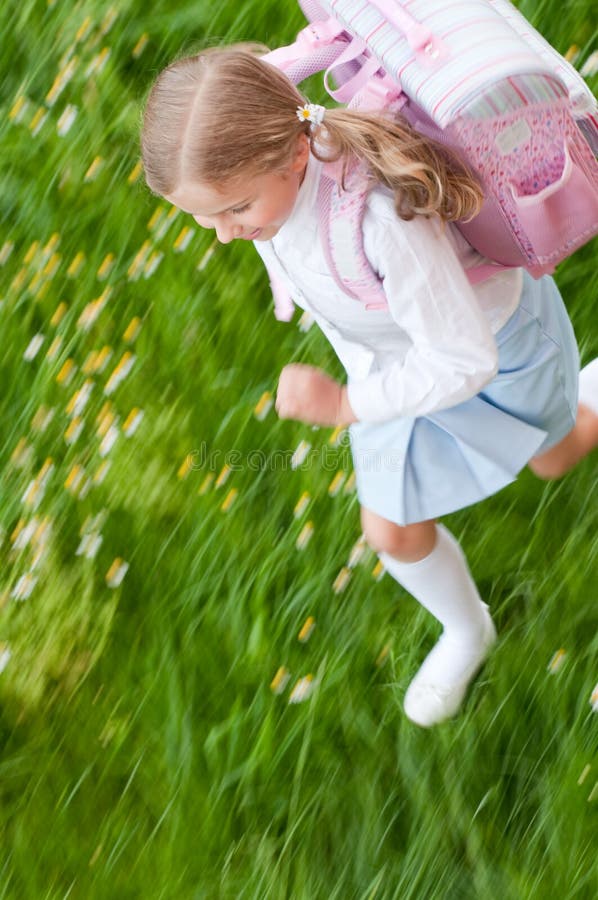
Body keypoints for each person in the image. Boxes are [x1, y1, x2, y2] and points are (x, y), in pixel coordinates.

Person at [141, 46, 598, 727]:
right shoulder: (274, 157)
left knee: (556, 457)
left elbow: (461, 358)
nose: (225, 234)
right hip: (393, 370)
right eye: (204, 218)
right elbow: (258, 131)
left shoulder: (382, 222)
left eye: (233, 210)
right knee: (390, 529)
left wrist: (346, 406)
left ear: (296, 155)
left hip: (495, 355)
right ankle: (468, 628)